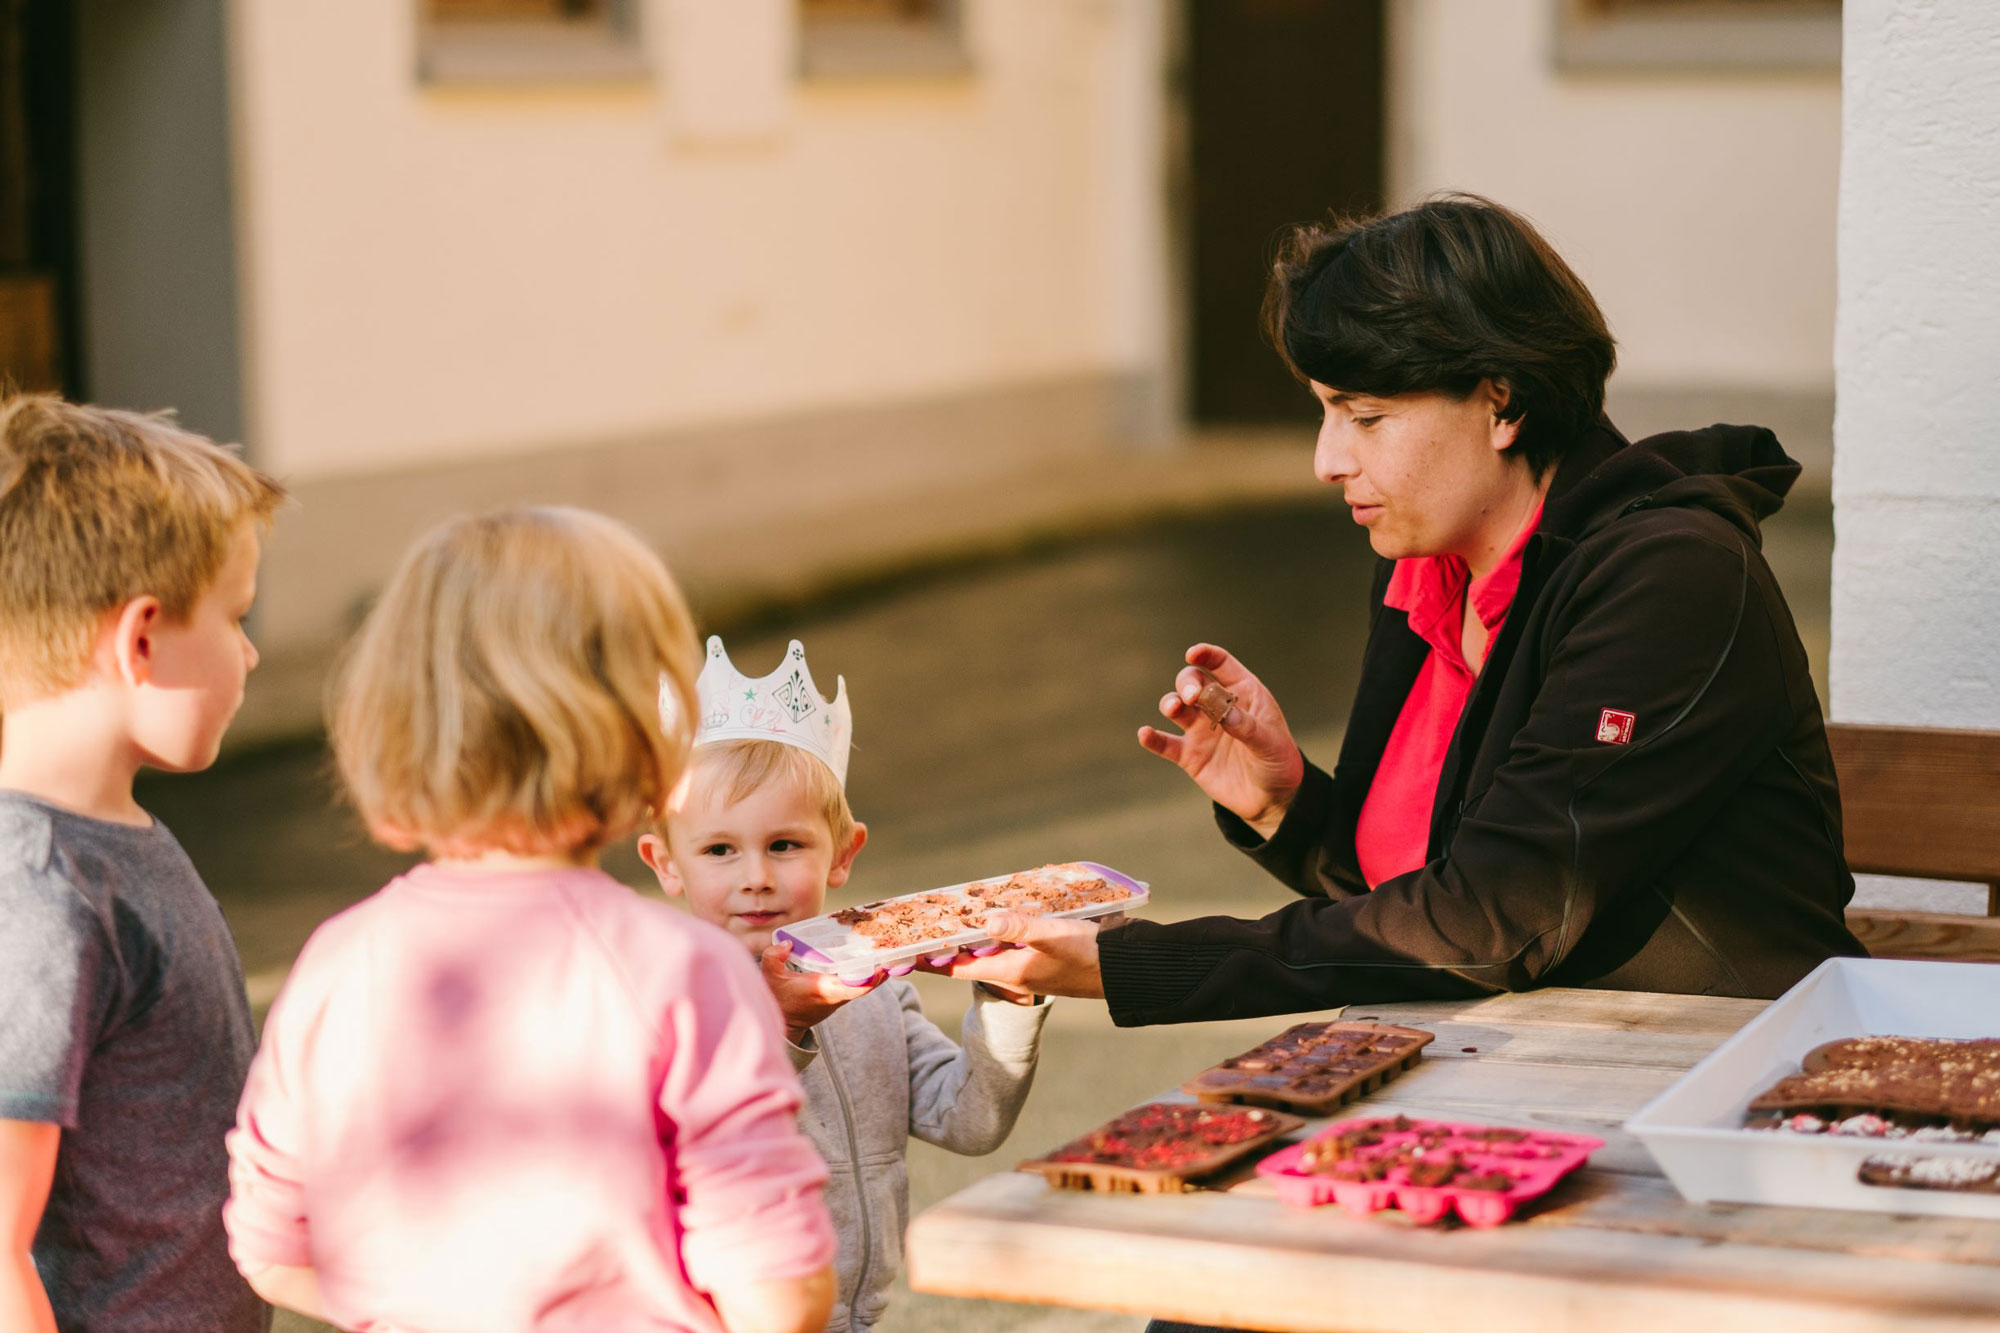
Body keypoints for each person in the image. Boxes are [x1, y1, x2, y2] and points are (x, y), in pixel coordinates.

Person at [940, 194, 1863, 1024]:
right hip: (1510, 1048)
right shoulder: (1427, 567)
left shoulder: (1670, 579)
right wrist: (1288, 806)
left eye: (1364, 416)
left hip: (1712, 1068)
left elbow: (1494, 918)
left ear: (1503, 401)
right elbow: (1426, 898)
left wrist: (1130, 963)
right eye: (1322, 412)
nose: (1326, 459)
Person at [224, 509, 836, 1333]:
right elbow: (780, 1295)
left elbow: (269, 1245)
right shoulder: (685, 969)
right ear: (638, 731)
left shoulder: (336, 961)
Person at [637, 635, 1052, 1333]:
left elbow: (970, 1118)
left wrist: (1011, 995)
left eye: (784, 843)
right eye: (718, 849)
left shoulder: (878, 990)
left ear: (844, 852)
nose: (757, 876)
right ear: (666, 862)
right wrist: (785, 1024)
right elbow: (691, 1143)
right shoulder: (671, 998)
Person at [0, 393, 285, 1333]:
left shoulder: (110, 841)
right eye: (236, 617)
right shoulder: (41, 891)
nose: (248, 651)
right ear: (142, 639)